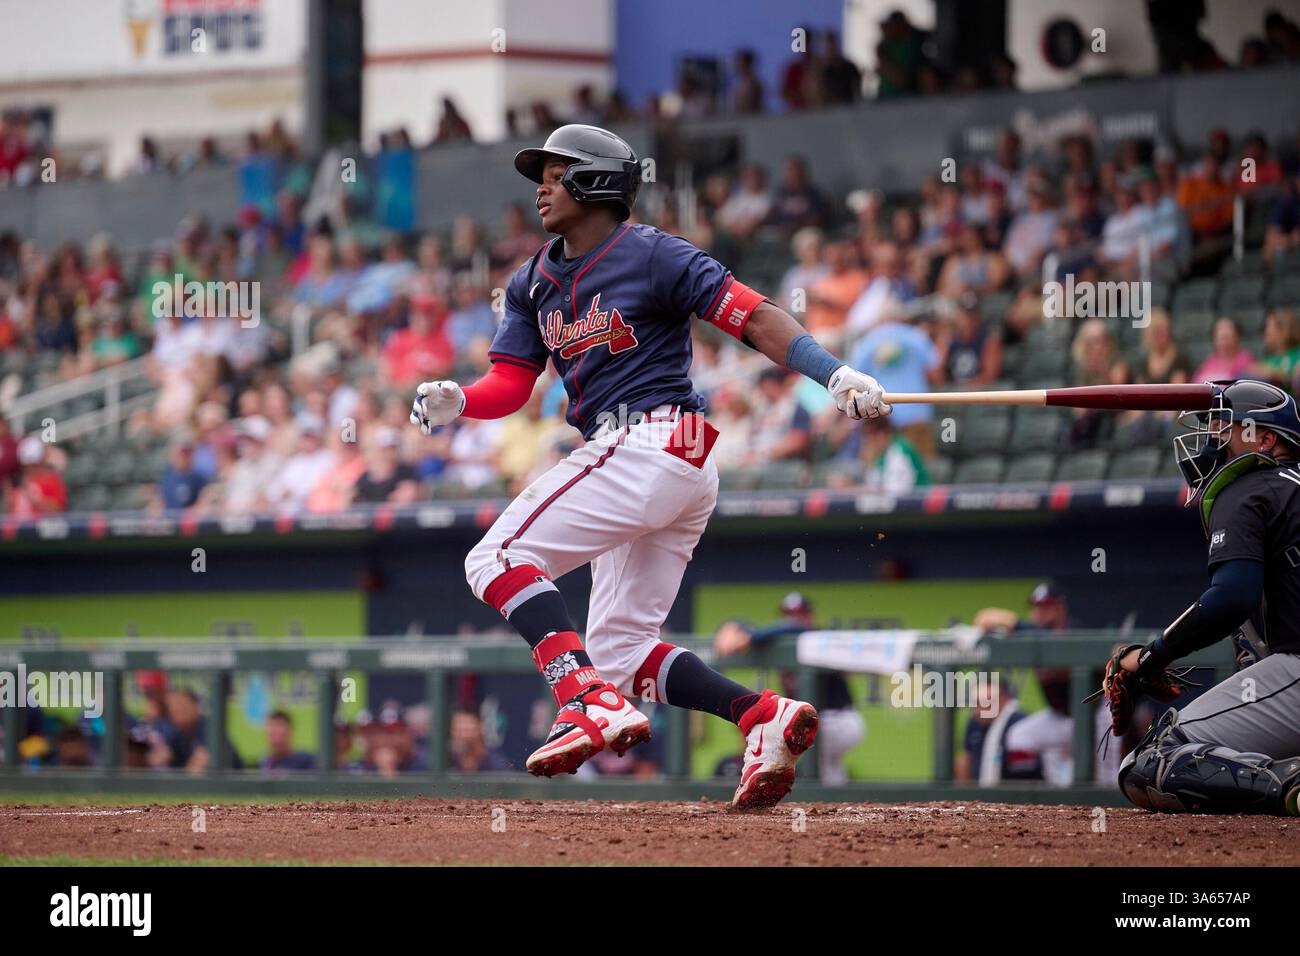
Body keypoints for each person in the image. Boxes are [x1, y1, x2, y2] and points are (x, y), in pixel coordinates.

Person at [409, 124, 891, 809]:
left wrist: (832, 372)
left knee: (495, 558)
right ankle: (760, 716)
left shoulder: (654, 254)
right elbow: (510, 382)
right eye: (540, 174)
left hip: (650, 440)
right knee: (621, 649)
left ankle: (584, 701)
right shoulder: (530, 282)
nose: (541, 186)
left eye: (555, 171)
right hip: (670, 461)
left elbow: (753, 317)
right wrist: (463, 400)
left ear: (597, 179)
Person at [1106, 380, 1300, 815]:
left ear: (1265, 440)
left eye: (1223, 426)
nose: (1212, 436)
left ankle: (1290, 784)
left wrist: (1153, 656)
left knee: (1152, 759)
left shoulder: (1249, 485)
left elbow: (1231, 598)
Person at [713, 593, 865, 785]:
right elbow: (775, 630)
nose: (792, 618)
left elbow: (794, 628)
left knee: (780, 745)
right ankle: (834, 806)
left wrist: (750, 636)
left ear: (810, 616)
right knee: (827, 768)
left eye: (799, 614)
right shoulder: (778, 640)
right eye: (788, 613)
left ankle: (793, 795)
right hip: (826, 722)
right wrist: (736, 627)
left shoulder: (813, 636)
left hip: (838, 720)